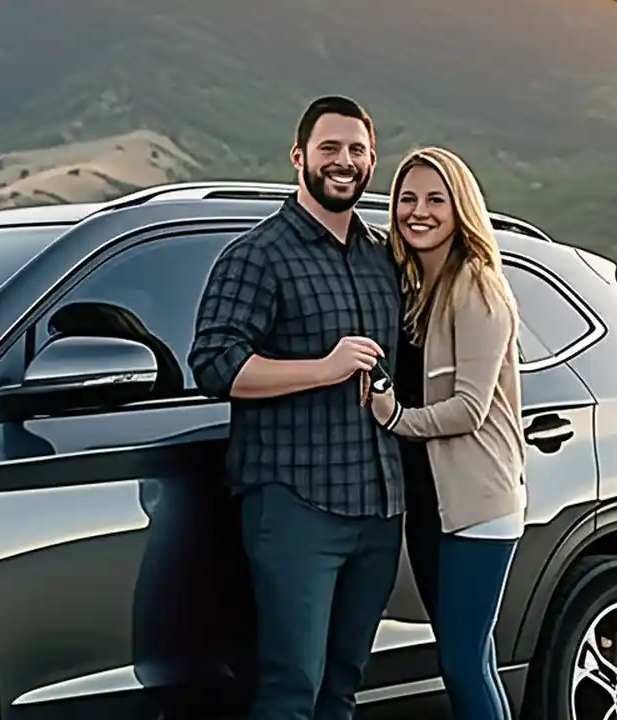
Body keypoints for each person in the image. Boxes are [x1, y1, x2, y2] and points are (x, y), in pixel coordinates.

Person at [187, 95, 405, 720]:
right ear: (298, 156)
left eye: (357, 150)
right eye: (329, 148)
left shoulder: (381, 257)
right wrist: (323, 369)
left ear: (371, 161)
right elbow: (215, 365)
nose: (344, 161)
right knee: (292, 688)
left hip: (380, 507)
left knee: (343, 688)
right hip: (295, 506)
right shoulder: (257, 255)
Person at [363, 146, 526, 720]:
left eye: (436, 199)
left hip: (477, 505)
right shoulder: (413, 291)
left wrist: (395, 418)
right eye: (407, 199)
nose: (419, 211)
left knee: (460, 661)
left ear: (461, 209)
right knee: (471, 657)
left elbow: (469, 409)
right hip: (430, 503)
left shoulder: (476, 287)